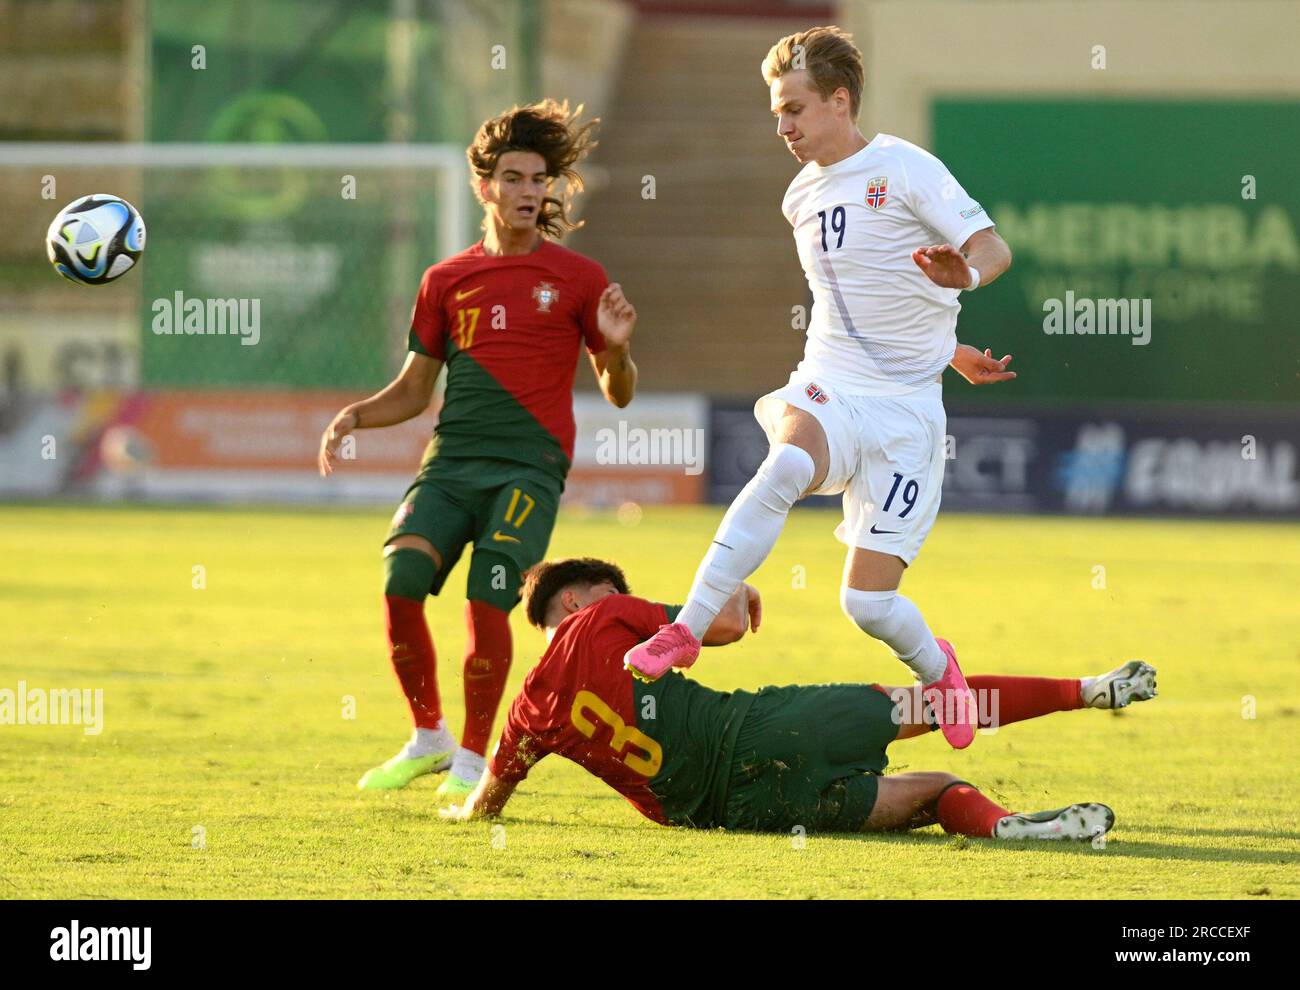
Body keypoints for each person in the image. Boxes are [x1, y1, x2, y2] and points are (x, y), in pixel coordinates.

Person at [623, 26, 1016, 750]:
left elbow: (992, 248)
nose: (783, 126)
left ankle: (939, 669)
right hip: (831, 382)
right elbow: (861, 299)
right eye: (777, 111)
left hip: (906, 414)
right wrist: (945, 341)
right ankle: (686, 626)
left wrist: (960, 286)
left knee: (867, 603)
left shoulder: (905, 167)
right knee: (784, 467)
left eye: (795, 109)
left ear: (840, 102)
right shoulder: (798, 197)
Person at [319, 100, 639, 796]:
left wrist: (616, 348)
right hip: (451, 463)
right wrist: (355, 416)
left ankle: (472, 760)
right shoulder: (444, 280)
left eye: (540, 180)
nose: (530, 192)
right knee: (400, 581)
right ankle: (428, 737)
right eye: (515, 178)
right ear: (486, 186)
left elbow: (617, 392)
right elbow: (412, 390)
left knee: (486, 596)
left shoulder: (579, 279)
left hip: (530, 469)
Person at [441, 557, 1157, 840]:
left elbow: (489, 800)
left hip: (735, 814)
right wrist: (738, 592)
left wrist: (463, 809)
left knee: (935, 790)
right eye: (609, 588)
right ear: (577, 598)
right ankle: (1088, 690)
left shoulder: (526, 716)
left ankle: (1006, 831)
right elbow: (719, 626)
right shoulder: (607, 615)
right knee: (936, 704)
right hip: (760, 730)